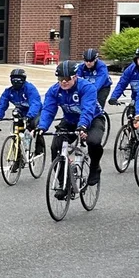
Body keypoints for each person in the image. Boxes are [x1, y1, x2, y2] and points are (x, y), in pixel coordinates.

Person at [39, 58, 105, 197]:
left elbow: (87, 109)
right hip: (70, 120)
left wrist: (83, 126)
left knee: (93, 142)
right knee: (55, 147)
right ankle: (64, 184)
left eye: (67, 78)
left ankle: (95, 167)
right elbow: (48, 110)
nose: (64, 81)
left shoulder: (87, 88)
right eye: (61, 78)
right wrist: (42, 126)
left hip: (93, 119)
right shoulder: (54, 90)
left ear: (75, 77)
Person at [0, 67, 44, 165]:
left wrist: (29, 116)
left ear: (24, 79)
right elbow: (2, 104)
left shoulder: (30, 89)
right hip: (21, 112)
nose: (16, 81)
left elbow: (35, 103)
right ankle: (18, 159)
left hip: (34, 112)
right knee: (17, 131)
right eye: (13, 78)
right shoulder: (8, 91)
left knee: (35, 126)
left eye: (18, 78)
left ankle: (39, 148)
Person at [108, 45, 139, 109]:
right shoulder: (131, 69)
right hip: (136, 99)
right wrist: (114, 97)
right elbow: (122, 84)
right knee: (131, 114)